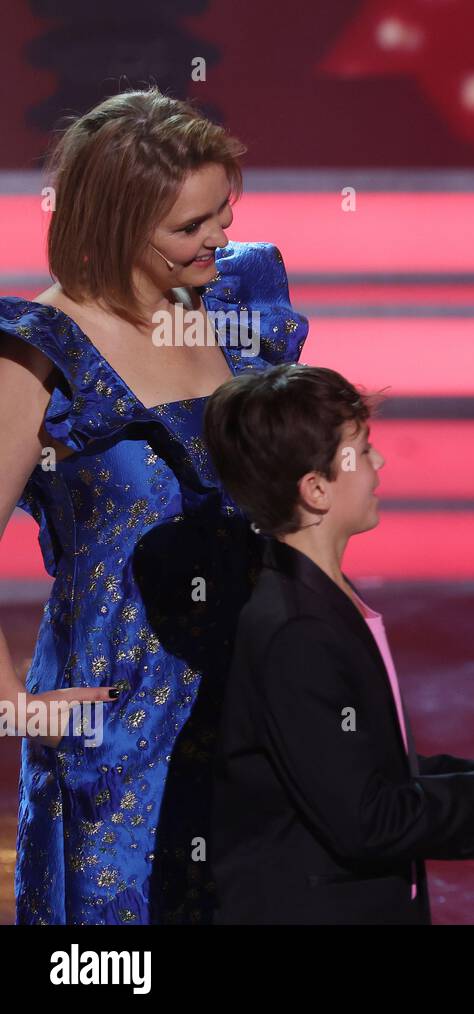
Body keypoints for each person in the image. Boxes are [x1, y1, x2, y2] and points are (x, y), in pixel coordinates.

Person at [0, 86, 307, 923]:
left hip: (256, 691)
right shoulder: (38, 353)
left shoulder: (233, 304)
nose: (219, 239)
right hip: (121, 714)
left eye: (223, 214)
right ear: (116, 226)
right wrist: (14, 701)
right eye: (190, 227)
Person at [204, 364, 474, 924]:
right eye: (364, 451)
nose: (381, 464)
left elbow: (363, 766)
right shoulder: (296, 632)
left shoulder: (318, 596)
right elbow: (367, 820)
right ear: (316, 488)